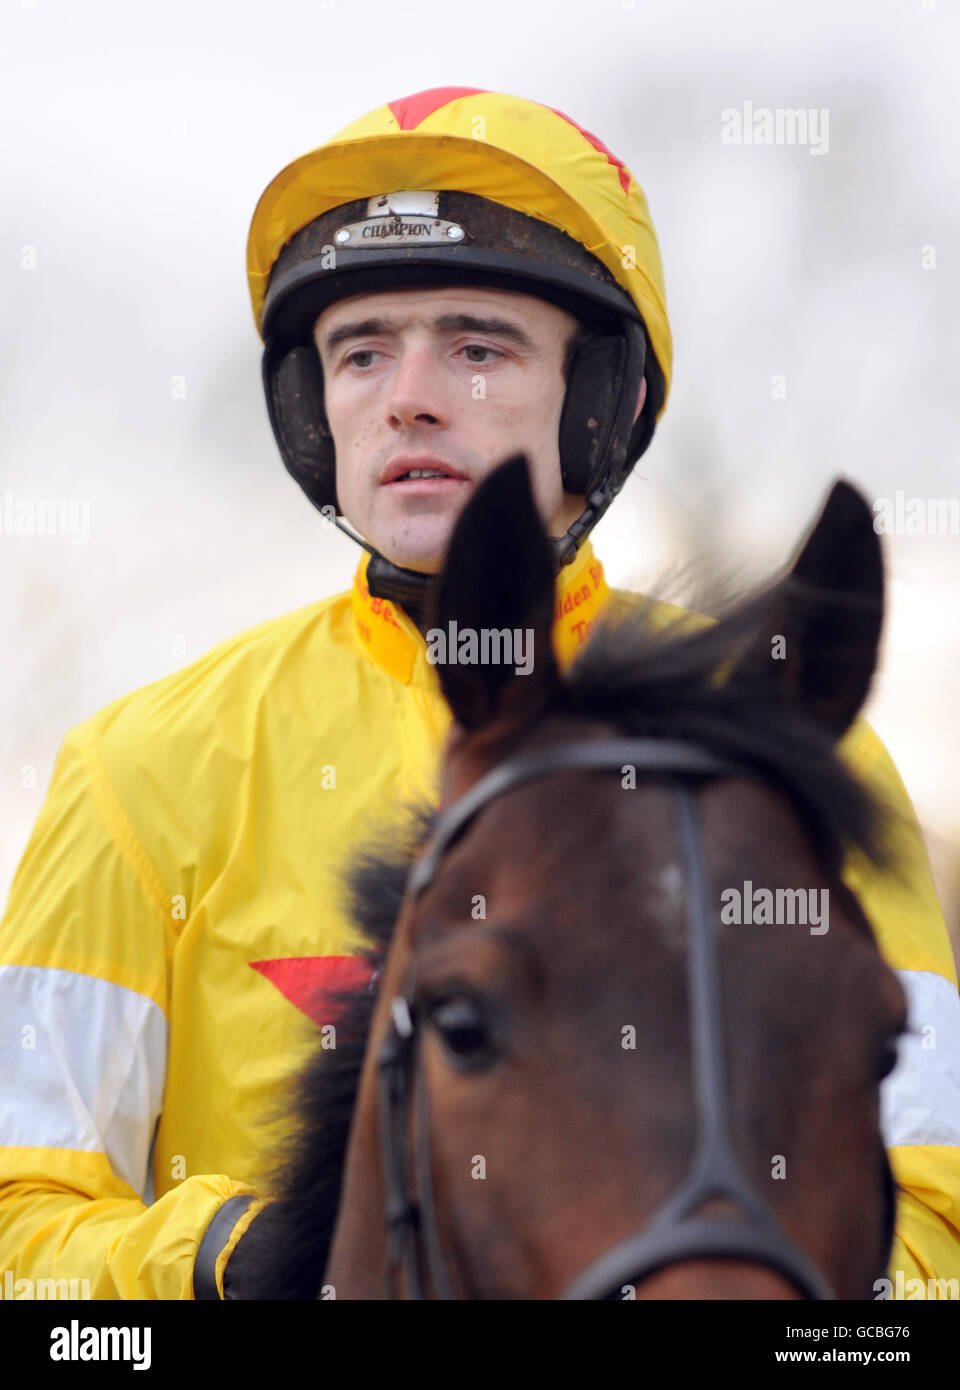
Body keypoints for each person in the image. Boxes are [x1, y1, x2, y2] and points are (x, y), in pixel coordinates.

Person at [0, 87, 956, 1301]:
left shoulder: (803, 757)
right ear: (317, 412)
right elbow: (17, 1226)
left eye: (477, 344)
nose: (408, 394)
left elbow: (934, 1219)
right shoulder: (132, 771)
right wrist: (225, 1264)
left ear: (600, 401)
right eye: (360, 351)